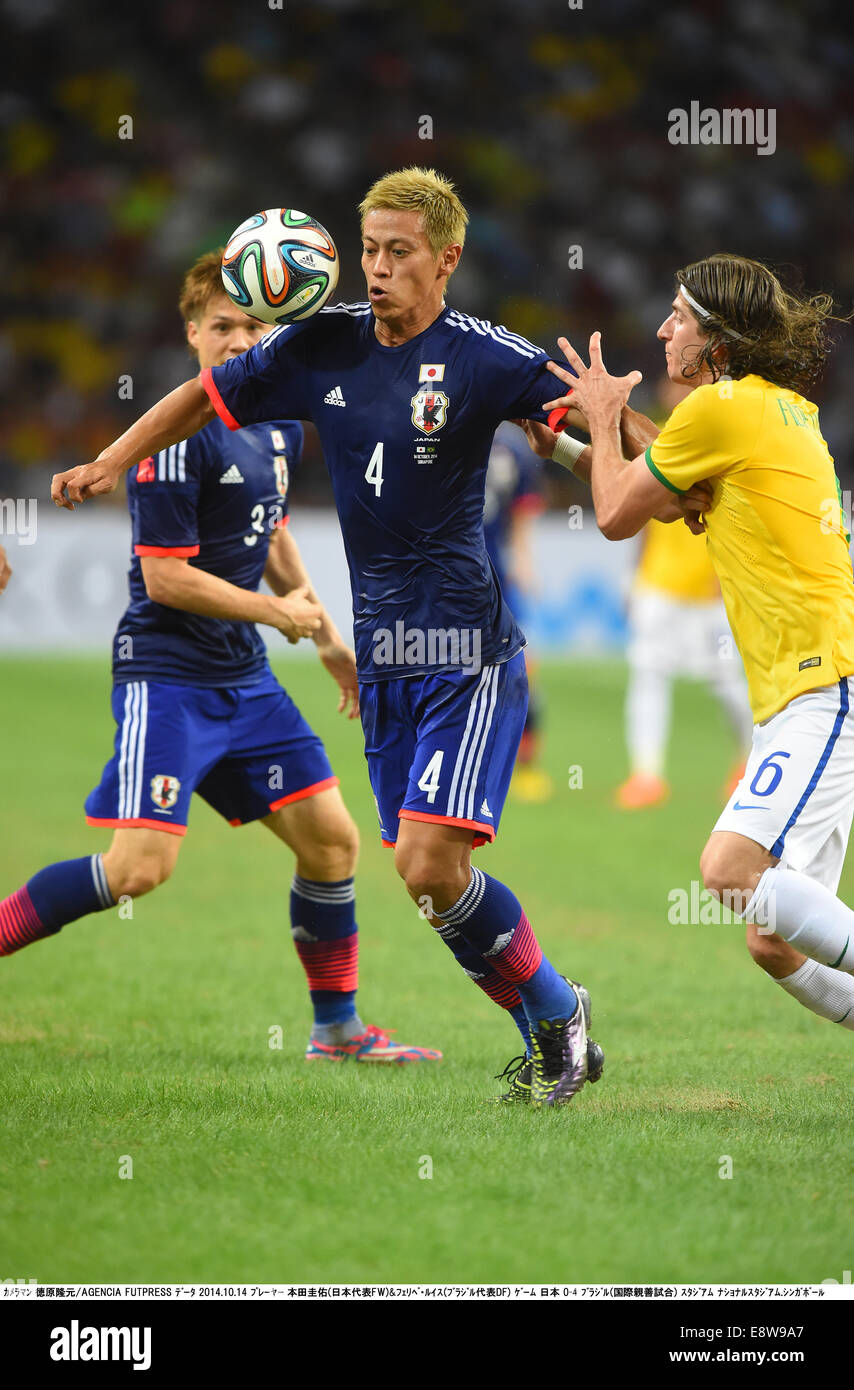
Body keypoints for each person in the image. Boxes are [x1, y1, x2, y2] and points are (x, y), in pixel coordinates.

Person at [50, 168, 602, 1107]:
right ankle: (556, 1021)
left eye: (401, 253)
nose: (379, 268)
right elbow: (203, 396)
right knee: (427, 879)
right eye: (371, 249)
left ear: (447, 260)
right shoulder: (322, 345)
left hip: (466, 649)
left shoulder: (483, 355)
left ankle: (554, 1023)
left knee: (426, 862)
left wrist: (664, 478)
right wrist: (110, 459)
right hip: (388, 657)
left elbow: (597, 422)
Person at [2, 249, 442, 1066]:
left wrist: (324, 636)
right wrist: (278, 613)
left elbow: (269, 528)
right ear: (193, 332)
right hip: (167, 677)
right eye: (222, 327)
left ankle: (337, 1031)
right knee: (137, 871)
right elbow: (167, 579)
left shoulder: (275, 424)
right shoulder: (178, 439)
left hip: (243, 678)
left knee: (333, 844)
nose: (239, 342)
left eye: (253, 326)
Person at [539, 253, 854, 1032]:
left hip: (827, 682)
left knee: (728, 870)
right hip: (802, 689)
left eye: (677, 315)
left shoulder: (720, 413)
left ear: (717, 340)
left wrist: (603, 416)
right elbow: (666, 495)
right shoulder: (766, 407)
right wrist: (564, 441)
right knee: (773, 942)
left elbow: (615, 515)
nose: (662, 328)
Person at [615, 377, 752, 810]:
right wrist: (634, 577)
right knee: (648, 675)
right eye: (674, 389)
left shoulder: (721, 445)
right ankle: (646, 775)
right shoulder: (654, 438)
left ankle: (748, 763)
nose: (676, 393)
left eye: (687, 389)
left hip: (711, 591)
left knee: (729, 684)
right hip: (658, 588)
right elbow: (643, 512)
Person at [483, 421, 553, 803]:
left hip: (499, 578)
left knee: (522, 672)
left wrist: (524, 560)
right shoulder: (436, 429)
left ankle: (527, 767)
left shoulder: (513, 448)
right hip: (445, 579)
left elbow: (522, 514)